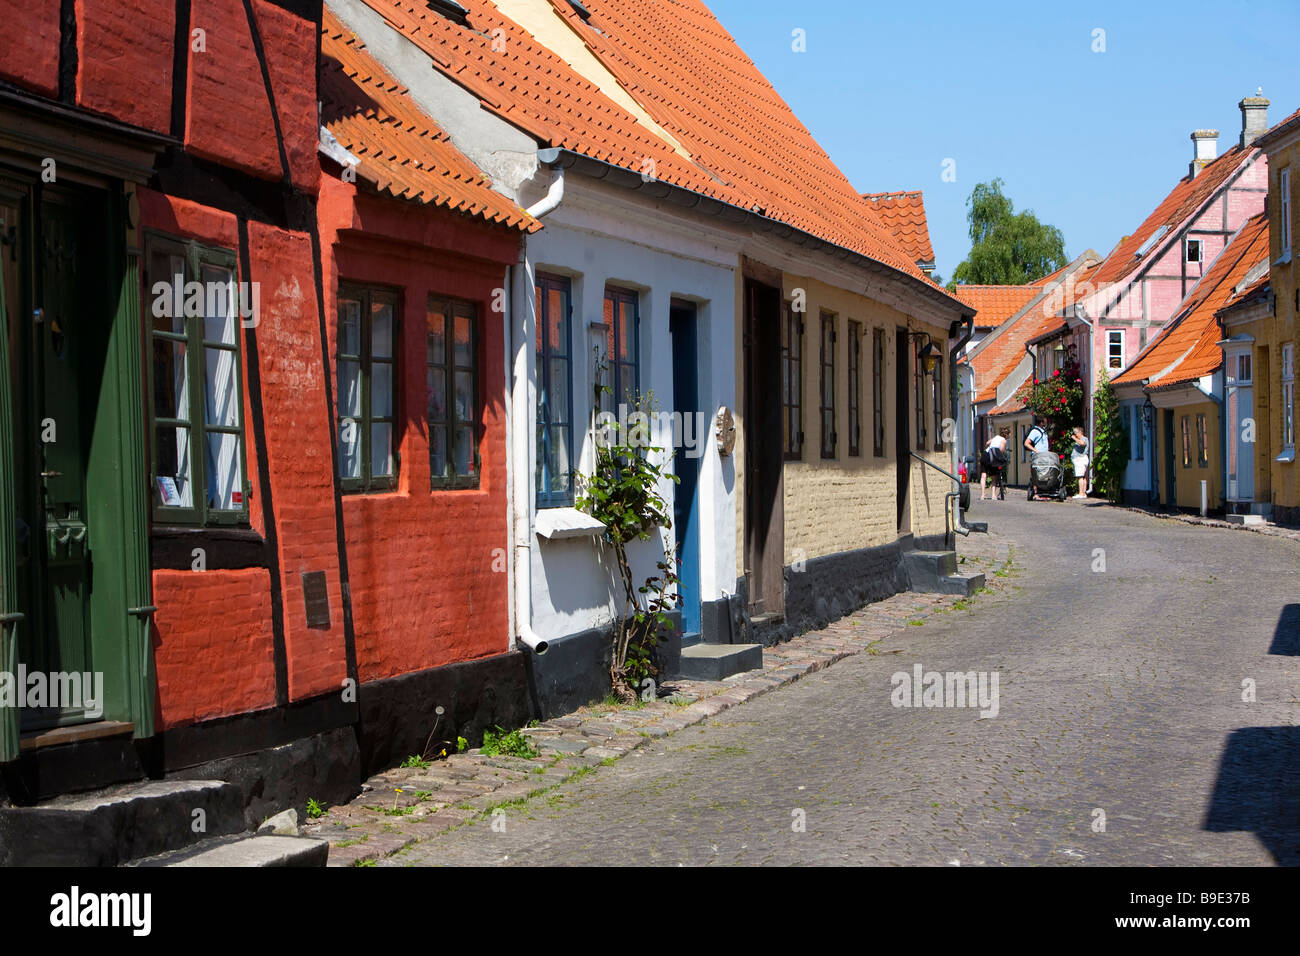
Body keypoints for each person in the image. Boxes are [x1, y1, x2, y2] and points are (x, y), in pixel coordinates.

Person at [1023, 416, 1050, 501]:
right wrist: (1036, 451)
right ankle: (1036, 494)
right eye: (1045, 421)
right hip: (1037, 457)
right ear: (1041, 422)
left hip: (1045, 457)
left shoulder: (1043, 431)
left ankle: (1043, 493)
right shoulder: (1035, 431)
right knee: (1036, 474)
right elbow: (1026, 443)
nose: (1046, 422)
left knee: (1044, 475)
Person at [980, 429, 1009, 500]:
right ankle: (993, 495)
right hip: (993, 458)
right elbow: (1000, 451)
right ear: (1007, 435)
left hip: (985, 454)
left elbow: (987, 443)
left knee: (984, 475)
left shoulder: (996, 437)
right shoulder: (1004, 440)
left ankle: (982, 495)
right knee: (993, 477)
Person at [1070, 426, 1090, 499]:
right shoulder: (1080, 439)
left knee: (1080, 476)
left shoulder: (1083, 438)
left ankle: (1081, 493)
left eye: (1076, 433)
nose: (1075, 435)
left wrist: (1075, 438)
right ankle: (1083, 493)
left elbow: (1082, 443)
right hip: (1079, 459)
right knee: (1082, 476)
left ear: (1080, 432)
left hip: (1080, 459)